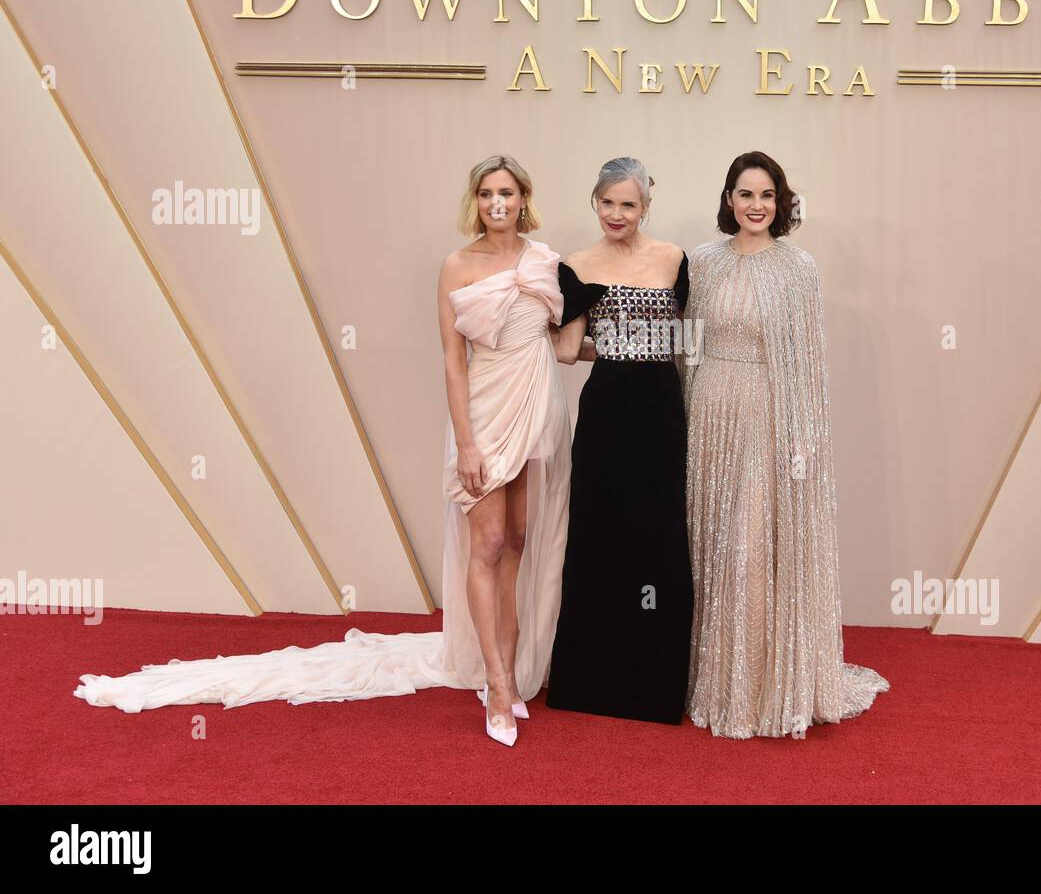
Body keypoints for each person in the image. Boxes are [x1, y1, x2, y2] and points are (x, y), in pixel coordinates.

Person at [74, 156, 571, 751]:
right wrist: (466, 440)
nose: (498, 203)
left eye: (508, 193)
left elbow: (560, 338)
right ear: (476, 200)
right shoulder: (456, 266)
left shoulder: (545, 261)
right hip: (485, 415)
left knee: (515, 542)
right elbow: (450, 358)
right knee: (485, 546)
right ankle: (493, 685)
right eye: (487, 193)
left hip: (535, 412)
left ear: (524, 198)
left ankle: (511, 672)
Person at [681, 150, 890, 739]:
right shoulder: (700, 263)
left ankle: (753, 691)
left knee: (749, 545)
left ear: (781, 202)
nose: (756, 205)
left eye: (767, 195)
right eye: (746, 194)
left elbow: (806, 369)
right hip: (708, 419)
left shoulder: (798, 268)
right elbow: (685, 350)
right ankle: (708, 678)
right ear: (728, 200)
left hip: (766, 421)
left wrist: (802, 445)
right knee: (709, 546)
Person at [544, 156, 694, 724]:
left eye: (627, 204)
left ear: (645, 206)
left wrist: (644, 344)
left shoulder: (675, 259)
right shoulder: (577, 266)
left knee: (658, 535)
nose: (616, 214)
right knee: (600, 532)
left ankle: (654, 688)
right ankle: (591, 682)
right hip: (607, 414)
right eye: (607, 203)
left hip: (660, 413)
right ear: (595, 202)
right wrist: (623, 345)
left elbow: (688, 342)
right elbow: (565, 350)